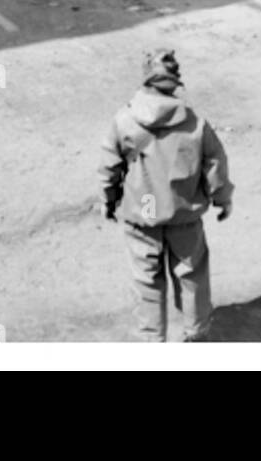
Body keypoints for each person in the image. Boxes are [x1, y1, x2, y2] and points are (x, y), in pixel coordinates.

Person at [98, 48, 233, 342]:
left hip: (141, 217)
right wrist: (223, 199)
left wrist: (107, 200)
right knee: (191, 276)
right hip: (183, 216)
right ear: (174, 83)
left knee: (147, 281)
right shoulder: (195, 123)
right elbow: (215, 163)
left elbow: (110, 165)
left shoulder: (124, 120)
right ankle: (195, 336)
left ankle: (152, 342)